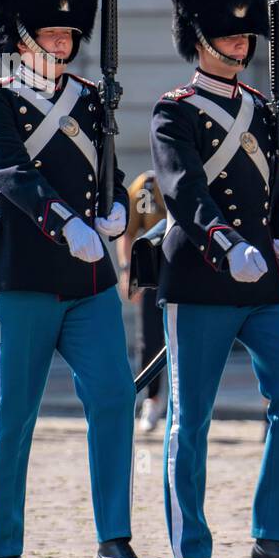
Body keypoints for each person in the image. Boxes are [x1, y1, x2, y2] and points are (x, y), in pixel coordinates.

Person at [0, 0, 159, 558]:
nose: (61, 43)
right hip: (20, 272)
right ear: (19, 35)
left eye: (67, 34)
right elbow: (10, 173)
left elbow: (111, 173)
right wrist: (65, 222)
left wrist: (116, 211)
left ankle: (114, 540)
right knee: (14, 411)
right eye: (49, 35)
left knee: (113, 396)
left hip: (86, 279)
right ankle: (3, 547)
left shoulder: (89, 100)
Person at [150, 0, 279, 558]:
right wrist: (228, 242)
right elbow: (183, 188)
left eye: (249, 33)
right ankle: (191, 547)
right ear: (201, 35)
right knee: (190, 418)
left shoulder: (262, 108)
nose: (244, 42)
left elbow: (271, 186)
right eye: (231, 33)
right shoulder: (176, 109)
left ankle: (273, 537)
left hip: (264, 278)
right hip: (201, 274)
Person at [119, 169, 166, 434]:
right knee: (149, 339)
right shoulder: (146, 185)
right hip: (152, 273)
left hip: (190, 273)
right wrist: (129, 271)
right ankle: (153, 397)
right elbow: (129, 231)